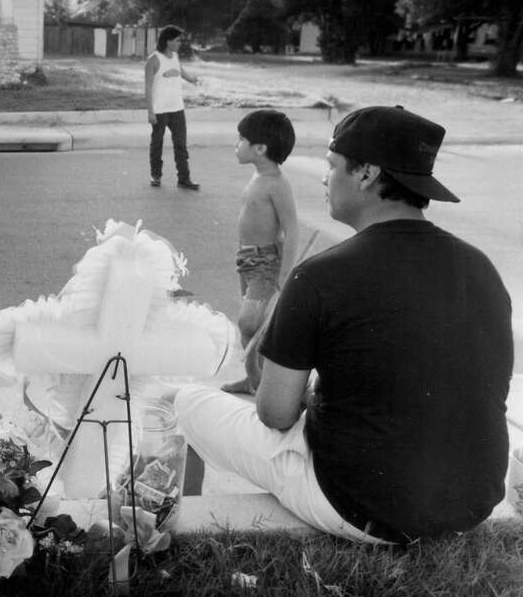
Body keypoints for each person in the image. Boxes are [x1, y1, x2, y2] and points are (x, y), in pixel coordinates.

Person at [175, 106, 513, 544]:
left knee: (181, 401)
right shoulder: (480, 266)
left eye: (331, 166)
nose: (323, 178)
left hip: (362, 508)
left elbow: (275, 414)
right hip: (472, 501)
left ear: (368, 173)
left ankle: (184, 532)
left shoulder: (319, 275)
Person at [221, 110, 299, 395]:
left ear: (260, 148)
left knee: (250, 322)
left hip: (266, 263)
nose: (237, 144)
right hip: (248, 260)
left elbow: (291, 230)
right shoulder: (258, 177)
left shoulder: (277, 184)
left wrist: (285, 275)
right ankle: (253, 379)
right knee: (249, 327)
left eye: (241, 139)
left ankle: (263, 383)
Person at [145, 24, 200, 190]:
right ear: (168, 41)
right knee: (157, 144)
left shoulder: (175, 57)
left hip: (177, 109)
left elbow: (182, 73)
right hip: (159, 111)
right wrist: (150, 111)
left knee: (181, 146)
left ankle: (184, 179)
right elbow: (147, 87)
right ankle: (156, 175)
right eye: (177, 40)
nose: (179, 43)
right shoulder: (153, 59)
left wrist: (194, 79)